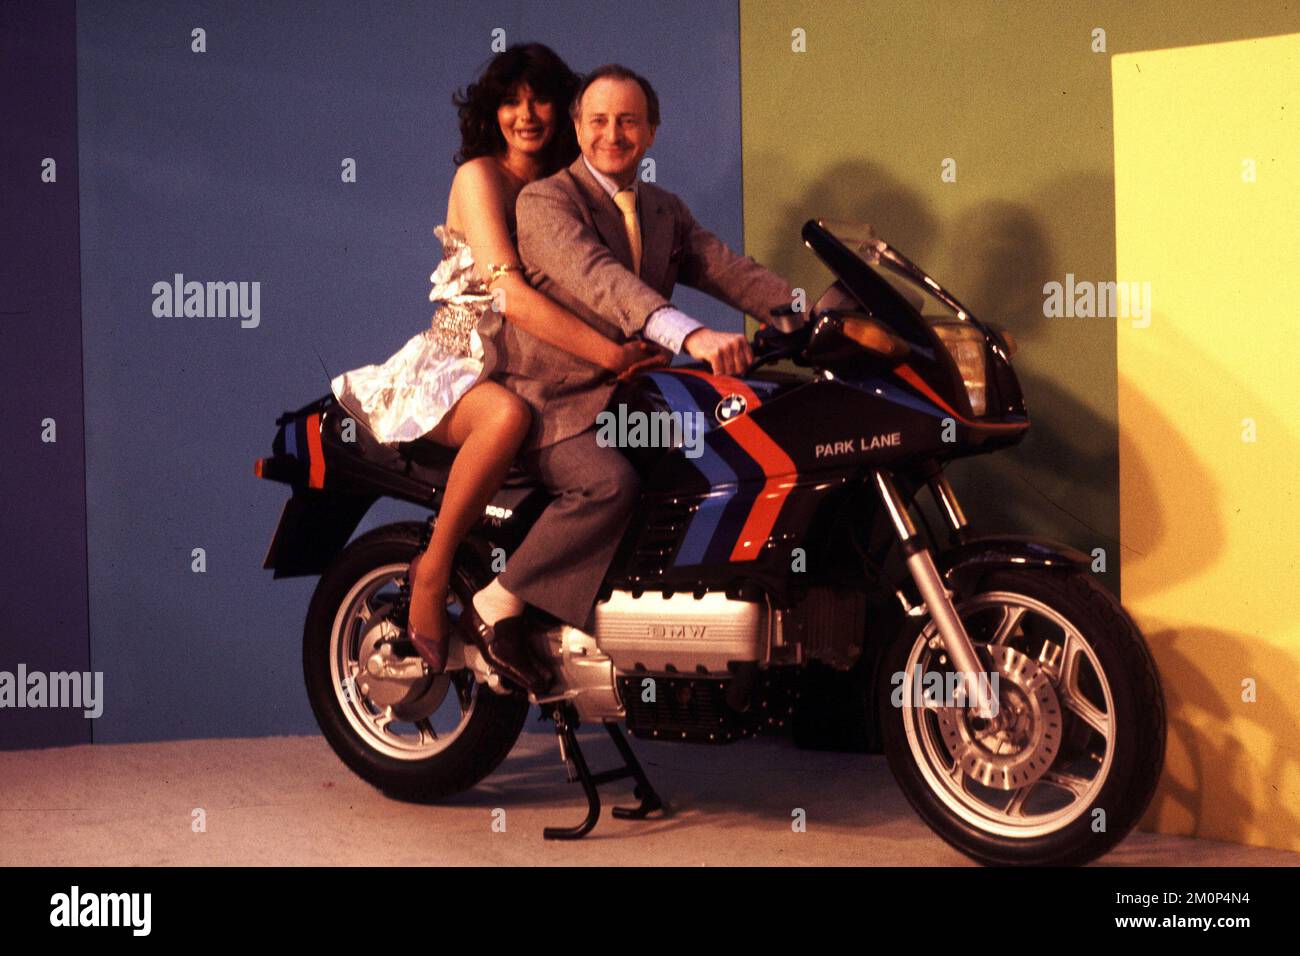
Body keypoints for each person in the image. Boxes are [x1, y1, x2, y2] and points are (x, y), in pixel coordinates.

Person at [330, 46, 664, 690]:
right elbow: (505, 291)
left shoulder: (567, 188)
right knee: (506, 417)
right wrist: (610, 353)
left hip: (534, 366)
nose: (526, 114)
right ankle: (433, 572)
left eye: (540, 98)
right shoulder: (482, 176)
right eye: (511, 100)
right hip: (461, 363)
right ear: (492, 112)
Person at [466, 63, 803, 692]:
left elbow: (735, 273)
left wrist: (833, 316)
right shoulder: (546, 202)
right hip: (555, 401)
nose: (612, 134)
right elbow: (600, 278)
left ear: (650, 132)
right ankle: (497, 605)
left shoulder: (661, 209)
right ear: (578, 127)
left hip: (634, 397)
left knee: (722, 462)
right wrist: (691, 335)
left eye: (628, 121)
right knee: (608, 486)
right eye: (598, 121)